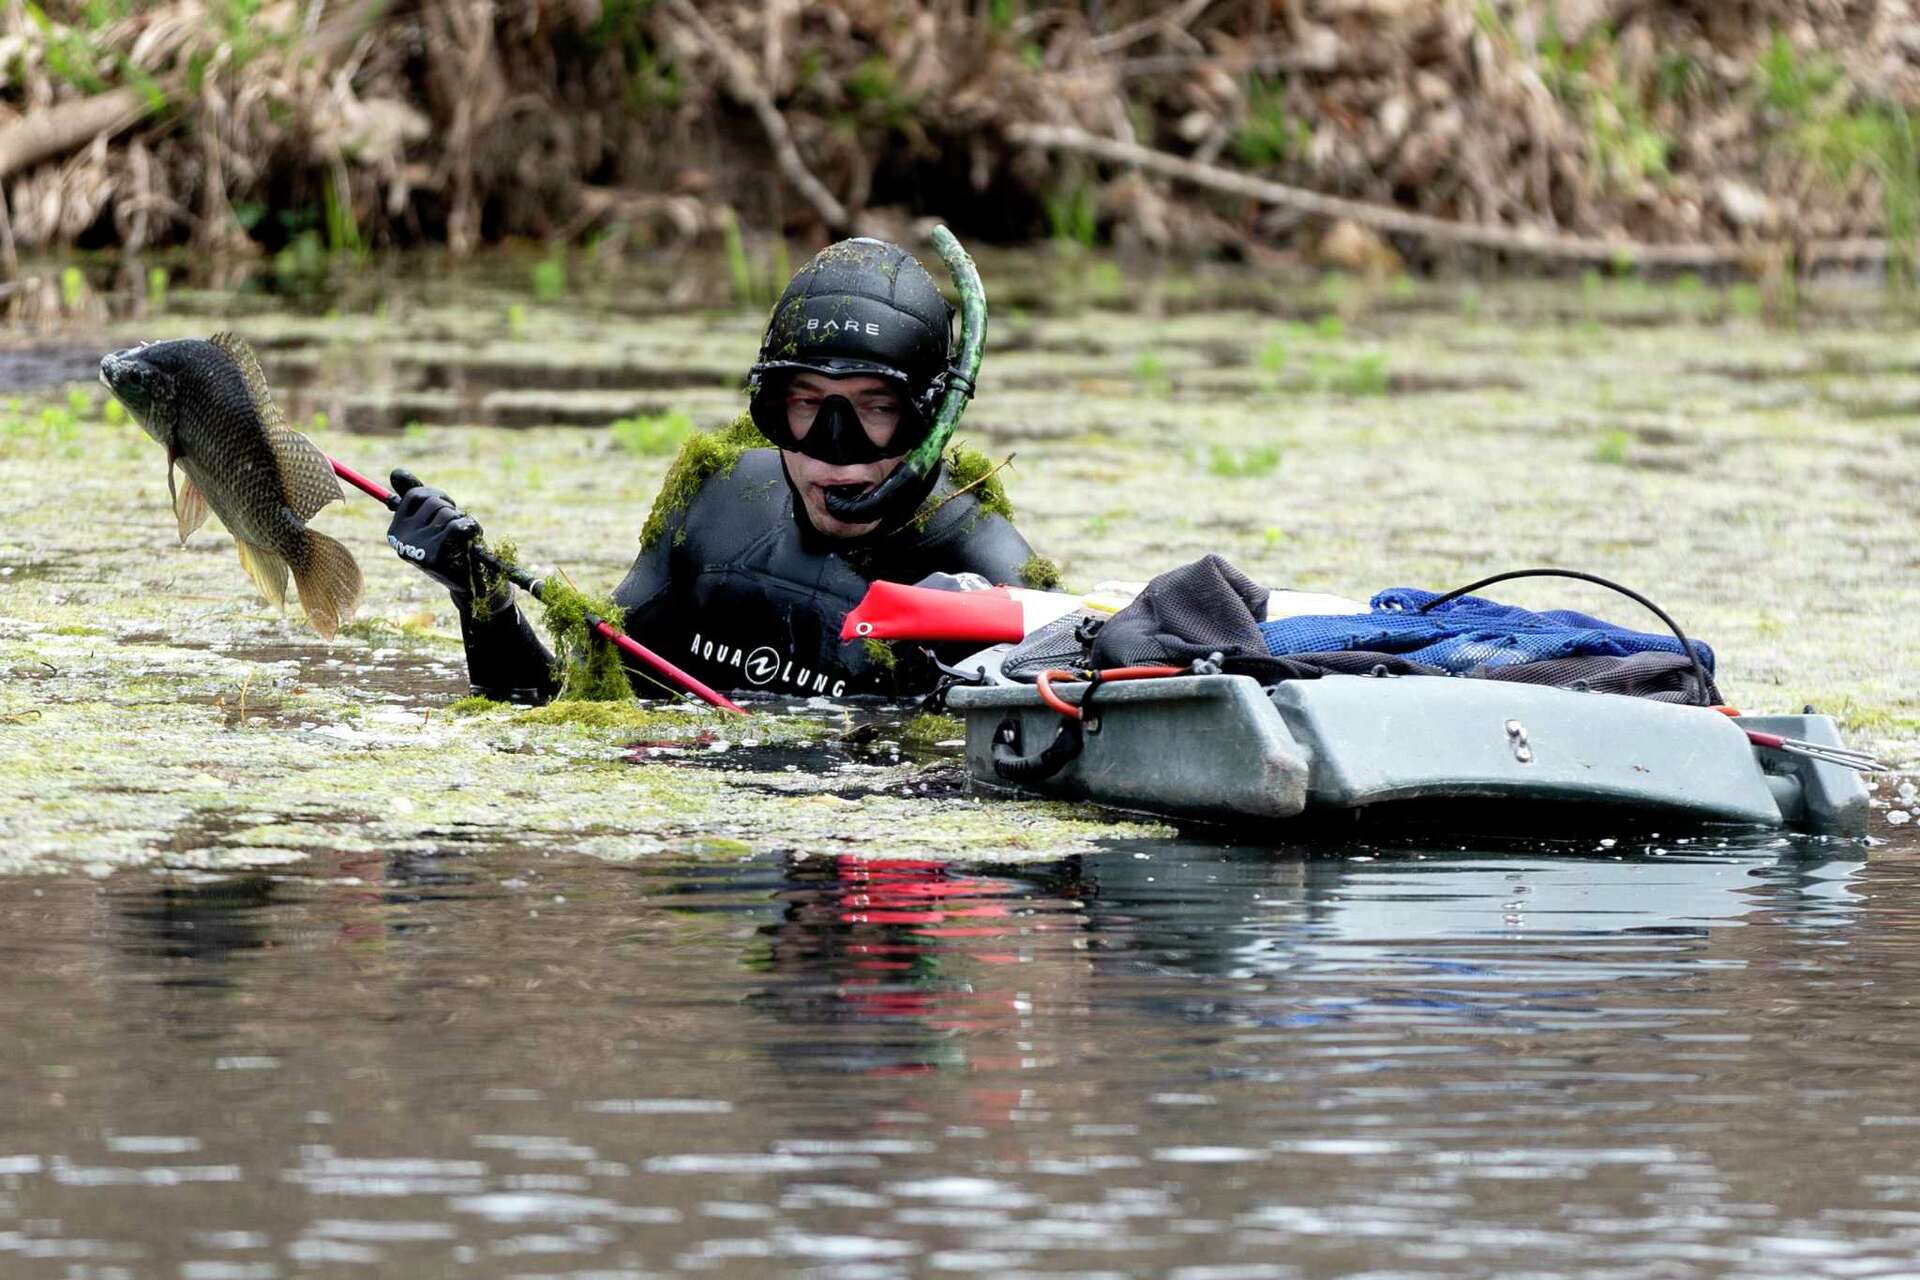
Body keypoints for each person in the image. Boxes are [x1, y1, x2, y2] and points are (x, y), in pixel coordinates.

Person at [386, 237, 1039, 702]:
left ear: (931, 419)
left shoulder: (996, 583)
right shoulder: (715, 509)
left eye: (876, 408)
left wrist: (960, 683)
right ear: (769, 410)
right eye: (806, 405)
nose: (835, 446)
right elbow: (565, 703)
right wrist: (480, 598)